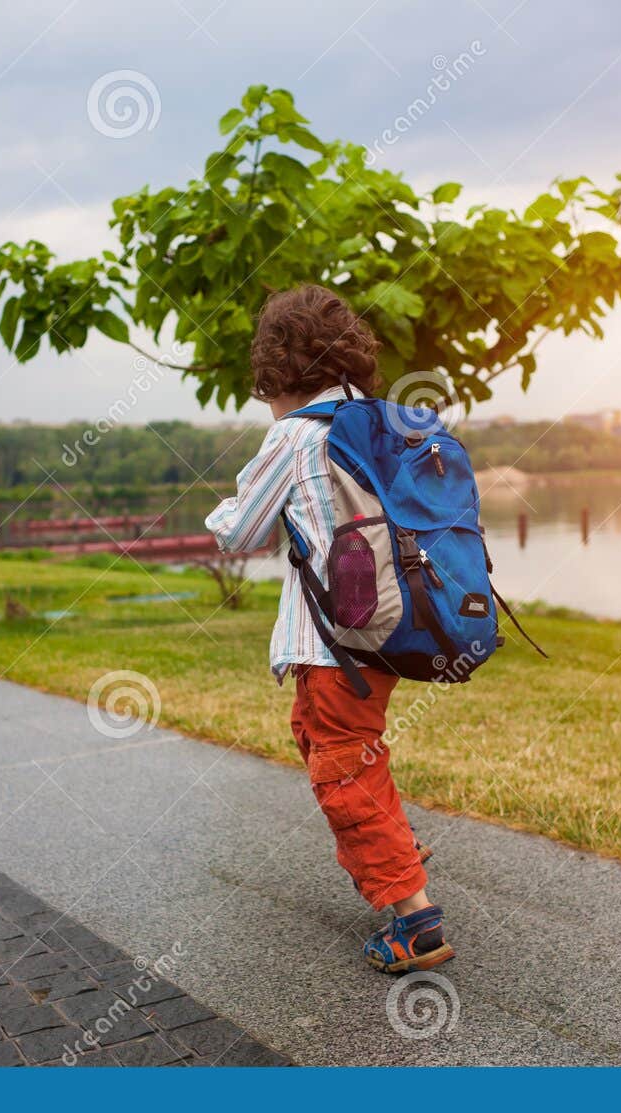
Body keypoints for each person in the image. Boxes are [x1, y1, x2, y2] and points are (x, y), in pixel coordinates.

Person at [205, 285, 452, 974]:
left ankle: (415, 920)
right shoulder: (375, 419)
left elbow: (244, 529)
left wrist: (222, 507)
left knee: (341, 767)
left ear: (276, 372)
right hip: (387, 631)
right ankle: (391, 840)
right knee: (329, 740)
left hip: (334, 643)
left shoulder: (295, 434)